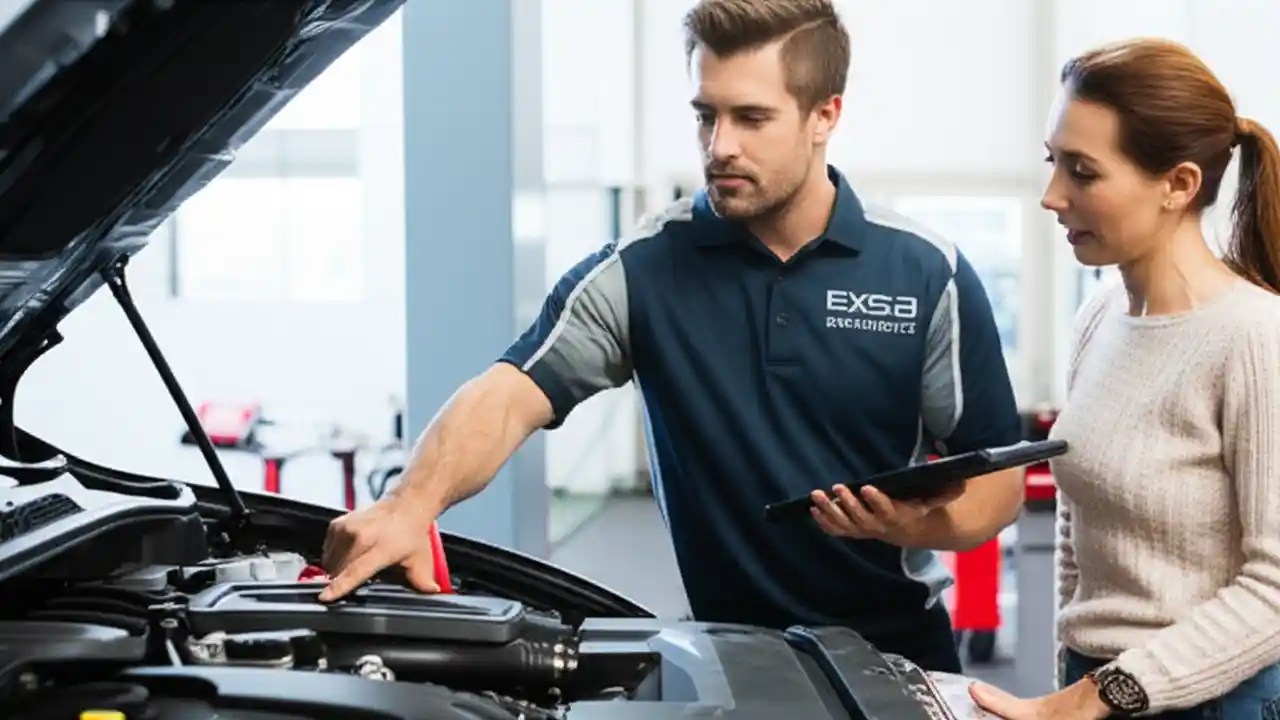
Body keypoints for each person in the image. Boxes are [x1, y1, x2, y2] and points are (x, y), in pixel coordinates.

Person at [318, 0, 1025, 673]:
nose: (720, 146)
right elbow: (509, 393)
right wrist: (411, 504)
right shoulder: (644, 269)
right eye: (705, 116)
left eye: (751, 118)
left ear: (824, 115)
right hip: (728, 662)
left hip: (899, 656)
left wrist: (909, 527)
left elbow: (996, 489)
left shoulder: (927, 272)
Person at [968, 38, 1280, 720]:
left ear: (1178, 185)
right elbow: (1080, 542)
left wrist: (1097, 695)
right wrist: (1068, 684)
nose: (1052, 196)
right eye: (1053, 163)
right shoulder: (1099, 315)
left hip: (1210, 700)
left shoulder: (1257, 337)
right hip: (1096, 689)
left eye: (1083, 172)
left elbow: (1275, 590)